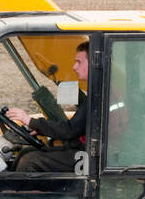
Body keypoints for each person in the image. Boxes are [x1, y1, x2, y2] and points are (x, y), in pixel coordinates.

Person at [8, 41, 89, 172]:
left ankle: (24, 192)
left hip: (91, 158)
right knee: (26, 152)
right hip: (86, 149)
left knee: (29, 162)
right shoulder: (97, 93)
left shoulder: (100, 95)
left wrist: (30, 121)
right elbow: (75, 127)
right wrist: (41, 128)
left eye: (79, 62)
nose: (74, 67)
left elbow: (69, 130)